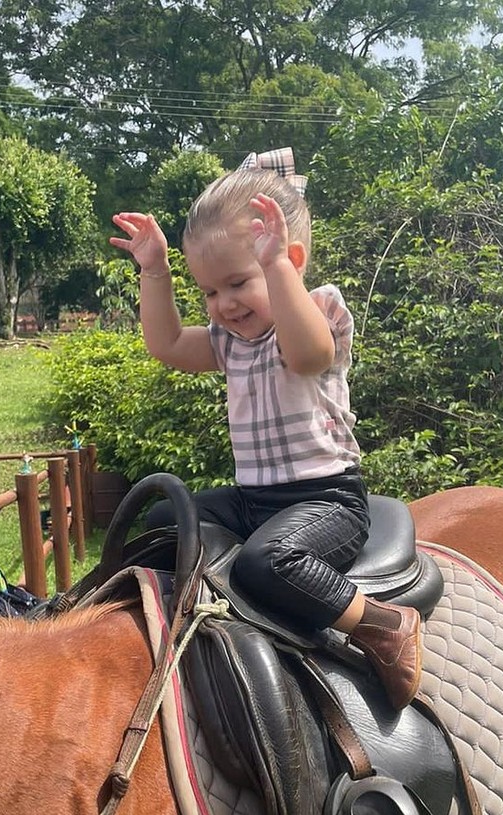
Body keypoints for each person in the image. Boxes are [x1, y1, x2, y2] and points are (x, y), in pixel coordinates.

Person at [110, 149, 422, 709]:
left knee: (268, 562)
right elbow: (169, 346)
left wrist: (278, 269)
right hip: (254, 500)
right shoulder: (229, 340)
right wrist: (155, 272)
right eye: (209, 291)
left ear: (291, 261)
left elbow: (307, 356)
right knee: (163, 521)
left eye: (236, 282)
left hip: (327, 500)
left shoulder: (319, 310)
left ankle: (381, 624)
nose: (223, 304)